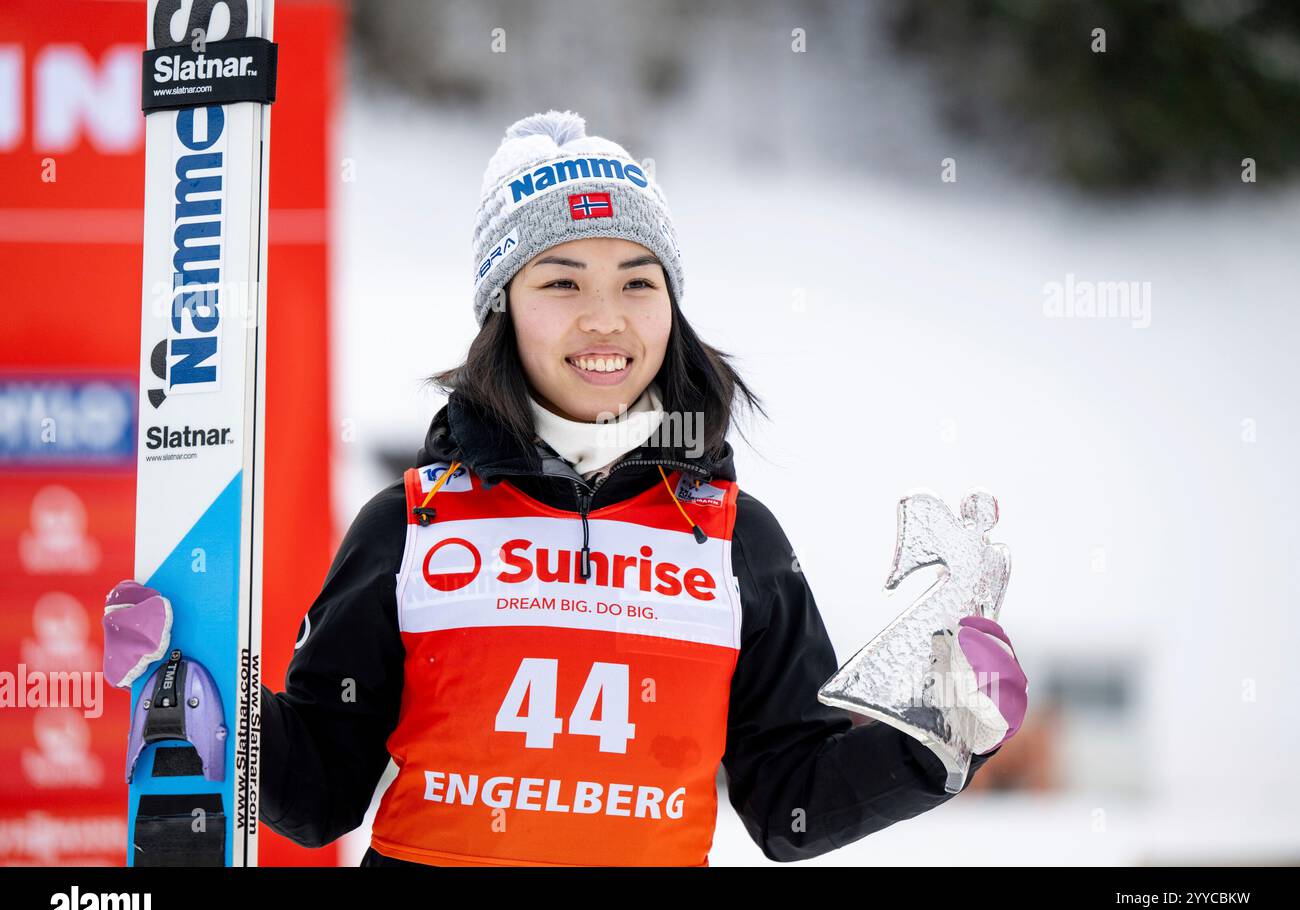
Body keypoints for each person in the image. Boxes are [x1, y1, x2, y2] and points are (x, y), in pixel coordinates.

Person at [104, 110, 1028, 867]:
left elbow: (791, 806)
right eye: (560, 281)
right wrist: (203, 712)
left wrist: (936, 736)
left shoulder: (740, 542)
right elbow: (319, 799)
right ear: (500, 310)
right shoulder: (411, 526)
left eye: (639, 282)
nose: (605, 318)